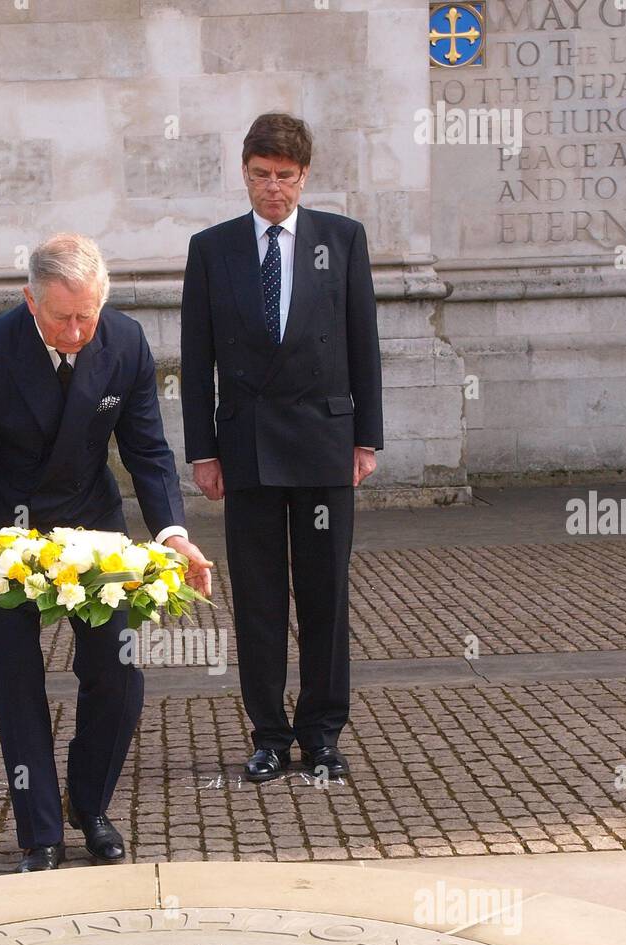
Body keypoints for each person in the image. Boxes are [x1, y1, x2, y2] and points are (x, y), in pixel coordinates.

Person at [0, 233, 213, 872]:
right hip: (5, 538)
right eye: (63, 317)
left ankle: (91, 807)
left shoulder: (126, 342)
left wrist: (171, 534)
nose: (79, 331)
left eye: (89, 314)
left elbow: (146, 451)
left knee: (118, 674)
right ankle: (40, 831)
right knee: (18, 677)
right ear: (30, 299)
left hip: (92, 526)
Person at [180, 112, 383, 784]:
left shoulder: (342, 240)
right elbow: (196, 355)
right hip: (248, 450)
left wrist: (367, 438)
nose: (274, 189)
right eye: (262, 176)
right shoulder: (212, 249)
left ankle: (322, 734)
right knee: (261, 598)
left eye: (286, 177)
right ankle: (268, 734)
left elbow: (362, 344)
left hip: (325, 442)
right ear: (244, 173)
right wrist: (202, 451)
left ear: (304, 176)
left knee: (324, 595)